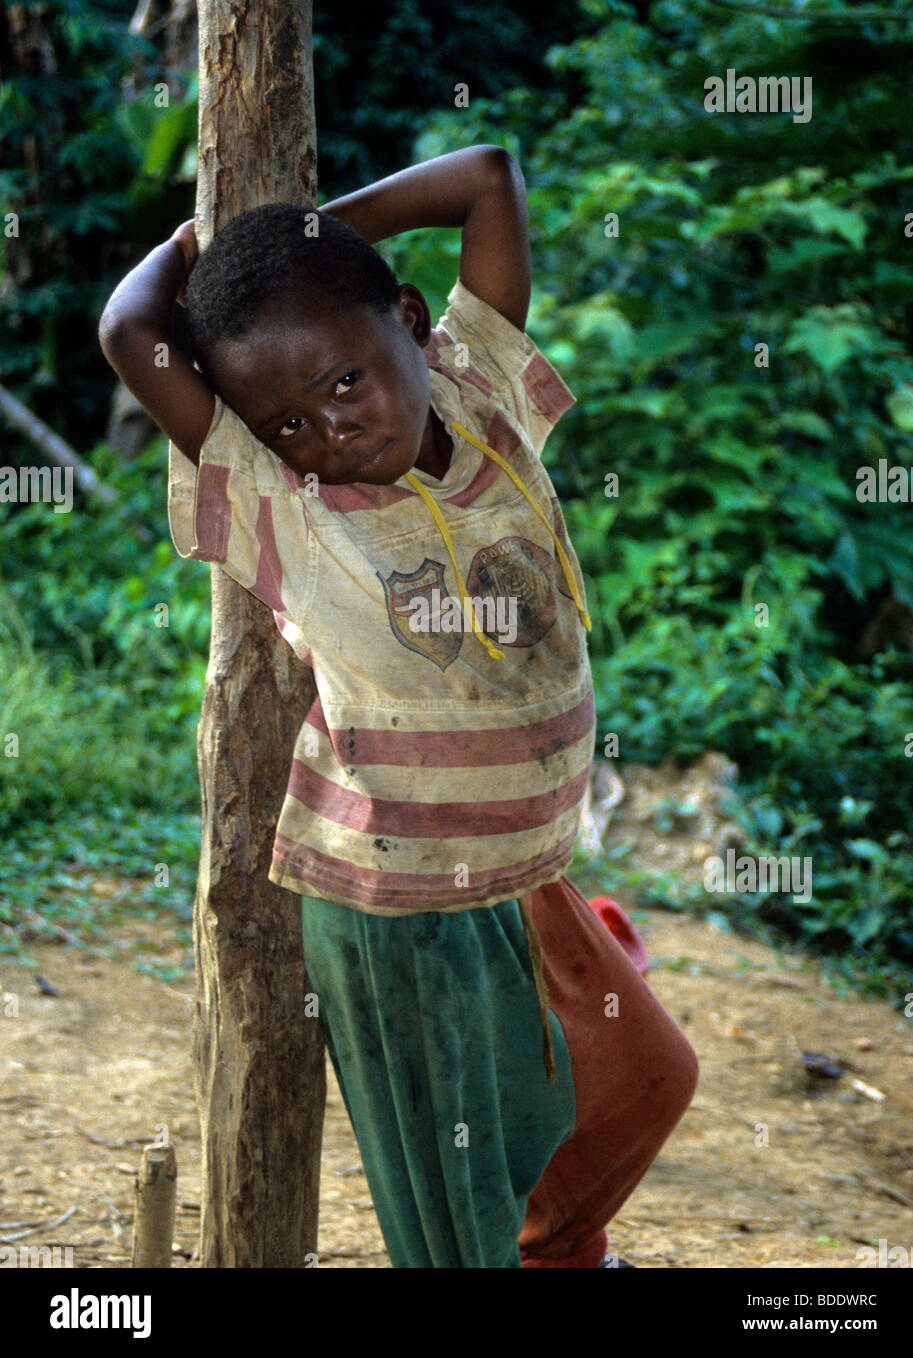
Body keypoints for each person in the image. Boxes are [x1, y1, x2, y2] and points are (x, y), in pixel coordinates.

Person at [98, 144, 698, 1269]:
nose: (325, 433)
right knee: (451, 1215)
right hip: (397, 906)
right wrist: (189, 255)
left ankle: (560, 1248)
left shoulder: (484, 390)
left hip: (522, 873)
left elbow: (487, 175)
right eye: (284, 422)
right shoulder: (290, 509)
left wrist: (321, 235)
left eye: (342, 384)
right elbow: (132, 333)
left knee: (648, 1078)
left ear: (412, 321)